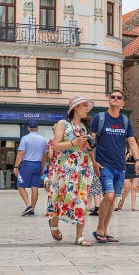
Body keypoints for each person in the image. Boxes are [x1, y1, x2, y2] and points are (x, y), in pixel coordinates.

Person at [91, 88, 139, 244]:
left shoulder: (125, 121)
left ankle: (105, 231)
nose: (116, 99)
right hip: (104, 165)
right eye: (113, 97)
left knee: (112, 201)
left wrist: (138, 160)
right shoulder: (98, 118)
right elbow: (90, 142)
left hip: (120, 166)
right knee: (109, 195)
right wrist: (93, 161)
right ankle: (99, 228)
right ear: (109, 100)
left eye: (119, 97)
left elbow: (131, 141)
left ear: (122, 102)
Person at [46, 95, 95, 246]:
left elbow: (87, 148)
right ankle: (54, 223)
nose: (87, 109)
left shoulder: (84, 127)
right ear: (76, 108)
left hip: (82, 167)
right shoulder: (63, 124)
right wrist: (74, 142)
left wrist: (89, 147)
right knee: (61, 199)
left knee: (82, 200)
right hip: (66, 167)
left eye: (87, 106)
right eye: (84, 106)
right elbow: (55, 145)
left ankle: (79, 236)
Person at [14, 121, 48, 216]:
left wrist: (16, 166)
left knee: (20, 185)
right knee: (35, 187)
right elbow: (44, 156)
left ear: (28, 128)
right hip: (38, 164)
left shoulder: (25, 138)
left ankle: (28, 206)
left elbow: (21, 153)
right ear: (37, 128)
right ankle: (32, 208)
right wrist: (42, 167)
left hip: (27, 165)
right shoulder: (43, 140)